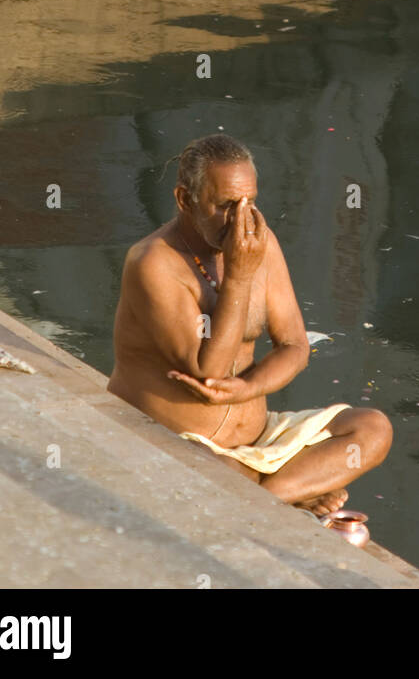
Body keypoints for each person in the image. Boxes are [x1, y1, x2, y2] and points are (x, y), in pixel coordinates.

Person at [108, 134, 392, 517]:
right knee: (216, 475)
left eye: (250, 202)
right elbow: (209, 371)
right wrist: (239, 276)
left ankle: (268, 497)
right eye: (226, 205)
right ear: (185, 200)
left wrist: (247, 388)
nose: (242, 219)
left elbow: (294, 345)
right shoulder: (152, 263)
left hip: (258, 442)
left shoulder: (259, 242)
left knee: (373, 430)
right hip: (183, 445)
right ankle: (292, 491)